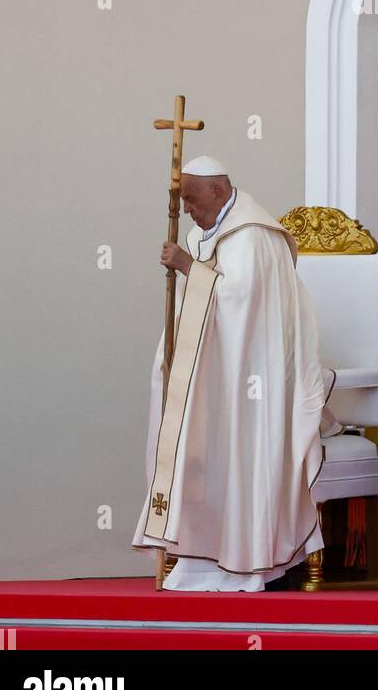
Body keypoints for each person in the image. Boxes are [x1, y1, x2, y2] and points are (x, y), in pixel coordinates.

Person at [132, 156, 325, 591]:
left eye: (191, 199)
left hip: (253, 376)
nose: (186, 209)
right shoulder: (203, 233)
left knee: (242, 454)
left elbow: (243, 301)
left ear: (218, 191)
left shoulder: (253, 235)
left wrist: (186, 266)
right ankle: (196, 557)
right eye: (182, 200)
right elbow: (199, 303)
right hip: (214, 370)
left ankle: (255, 558)